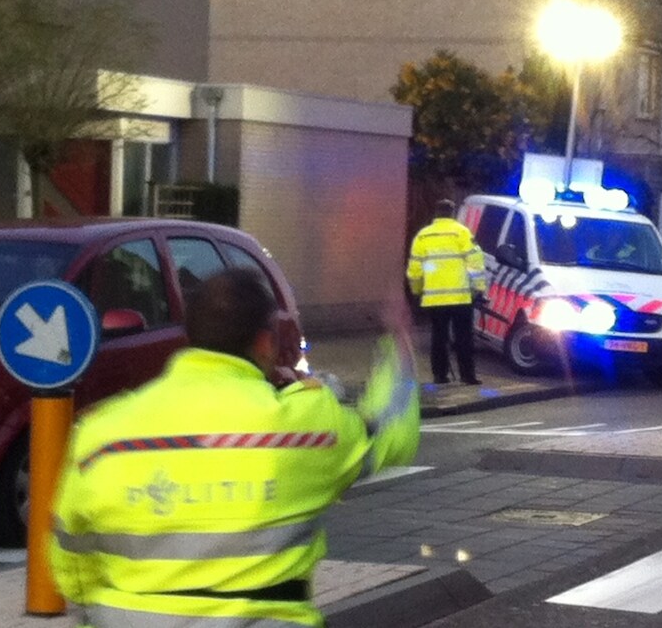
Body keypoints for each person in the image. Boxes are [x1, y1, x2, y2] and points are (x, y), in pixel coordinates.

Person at [50, 269, 420, 628]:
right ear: (263, 343)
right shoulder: (304, 428)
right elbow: (390, 432)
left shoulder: (102, 437)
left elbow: (71, 557)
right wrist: (398, 342)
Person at [407, 198, 486, 385]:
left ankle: (440, 376)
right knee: (463, 338)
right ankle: (467, 376)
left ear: (436, 213)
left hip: (435, 299)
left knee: (438, 338)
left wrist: (417, 291)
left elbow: (414, 270)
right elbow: (475, 264)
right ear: (452, 213)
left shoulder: (423, 236)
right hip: (460, 297)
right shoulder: (462, 233)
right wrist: (478, 289)